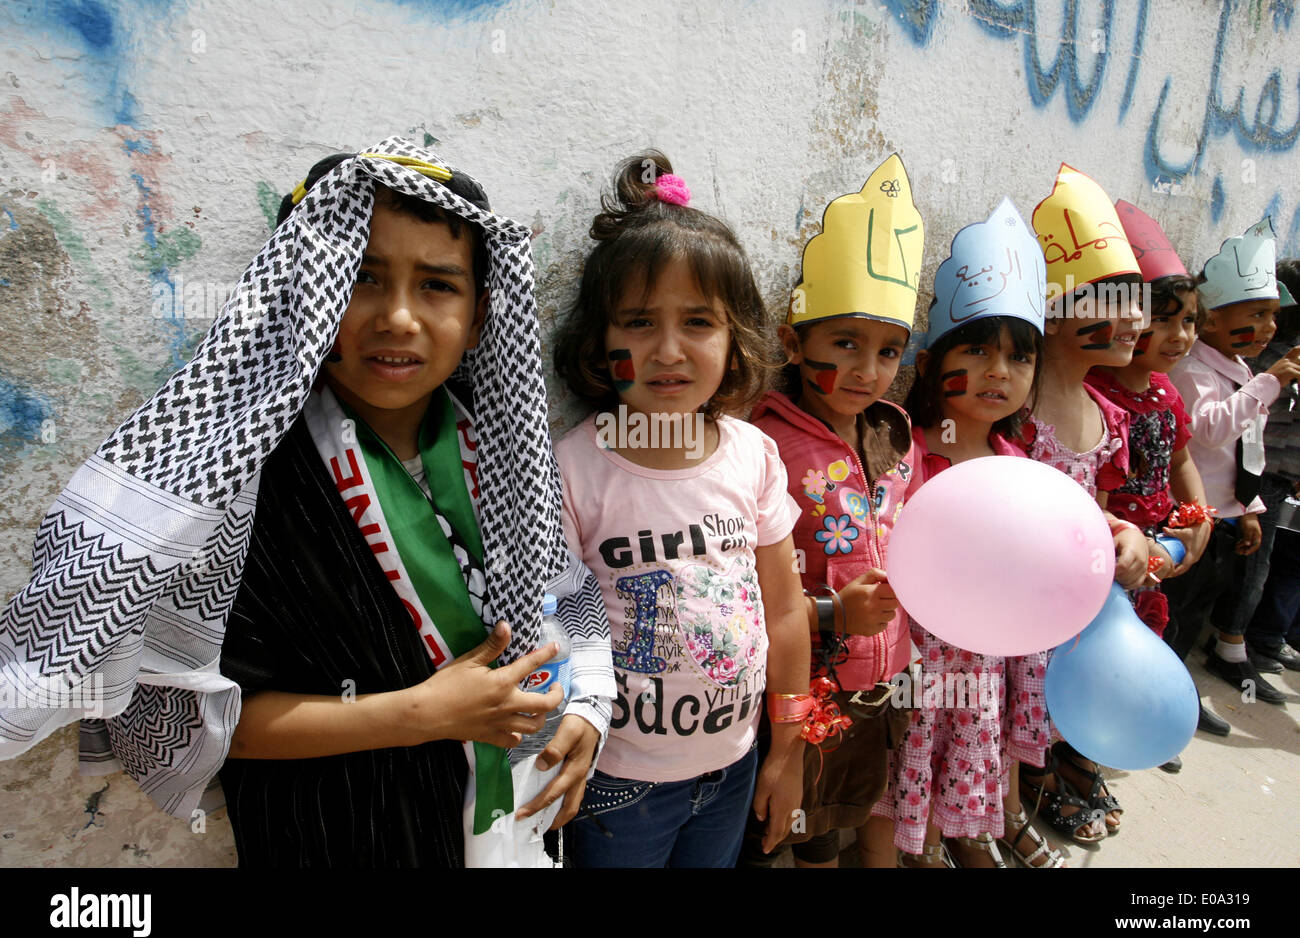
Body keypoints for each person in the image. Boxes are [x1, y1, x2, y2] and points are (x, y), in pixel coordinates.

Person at [0, 138, 615, 867]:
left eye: (437, 285)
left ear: (482, 317)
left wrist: (587, 708)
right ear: (306, 288)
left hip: (507, 826)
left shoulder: (505, 453)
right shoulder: (240, 482)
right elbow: (203, 713)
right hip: (339, 828)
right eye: (360, 277)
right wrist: (419, 715)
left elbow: (564, 597)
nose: (398, 317)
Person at [552, 150, 810, 868]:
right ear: (603, 346)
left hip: (734, 770)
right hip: (617, 786)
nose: (667, 350)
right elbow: (556, 628)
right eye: (637, 322)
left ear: (735, 340)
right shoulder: (575, 468)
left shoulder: (752, 456)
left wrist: (785, 751)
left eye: (698, 321)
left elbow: (785, 611)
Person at [748, 154, 922, 869]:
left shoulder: (896, 430)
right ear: (793, 342)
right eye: (844, 343)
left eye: (887, 351)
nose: (867, 369)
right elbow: (753, 584)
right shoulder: (767, 442)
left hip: (886, 672)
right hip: (807, 677)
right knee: (799, 814)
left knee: (852, 797)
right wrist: (828, 612)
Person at [883, 197, 1062, 868]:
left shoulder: (1016, 460)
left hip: (984, 655)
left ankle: (967, 827)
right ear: (930, 362)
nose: (1000, 371)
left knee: (967, 747)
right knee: (918, 747)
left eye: (1019, 357)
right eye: (979, 349)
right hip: (922, 653)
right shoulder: (907, 450)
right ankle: (922, 844)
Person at [1017, 164, 1153, 843]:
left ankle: (1063, 757)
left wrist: (1125, 531)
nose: (1136, 315)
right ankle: (1025, 781)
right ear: (1053, 307)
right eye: (1110, 297)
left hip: (1075, 603)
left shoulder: (1106, 414)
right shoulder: (1015, 407)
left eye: (1137, 298)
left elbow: (1095, 507)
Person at [1085, 200, 1213, 764]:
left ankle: (1139, 721)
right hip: (1111, 545)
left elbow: (1182, 460)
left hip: (1160, 542)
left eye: (1188, 320)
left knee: (1146, 632)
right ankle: (1084, 740)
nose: (1177, 334)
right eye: (1160, 317)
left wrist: (1198, 516)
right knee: (1100, 646)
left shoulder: (1165, 390)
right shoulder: (1096, 391)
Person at [1164, 220, 1300, 709]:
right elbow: (1211, 430)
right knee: (1173, 615)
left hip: (1224, 516)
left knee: (1198, 612)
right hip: (1190, 519)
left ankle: (1177, 692)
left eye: (1273, 317)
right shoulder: (1195, 370)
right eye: (1258, 314)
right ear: (1213, 320)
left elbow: (1247, 443)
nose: (1269, 328)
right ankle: (1160, 694)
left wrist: (1249, 505)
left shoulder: (1239, 367)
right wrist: (1268, 385)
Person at [1242, 260, 1300, 670]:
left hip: (1277, 478)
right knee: (1253, 568)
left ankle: (1255, 638)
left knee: (1265, 567)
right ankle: (1238, 642)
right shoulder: (1273, 360)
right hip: (1260, 476)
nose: (1269, 325)